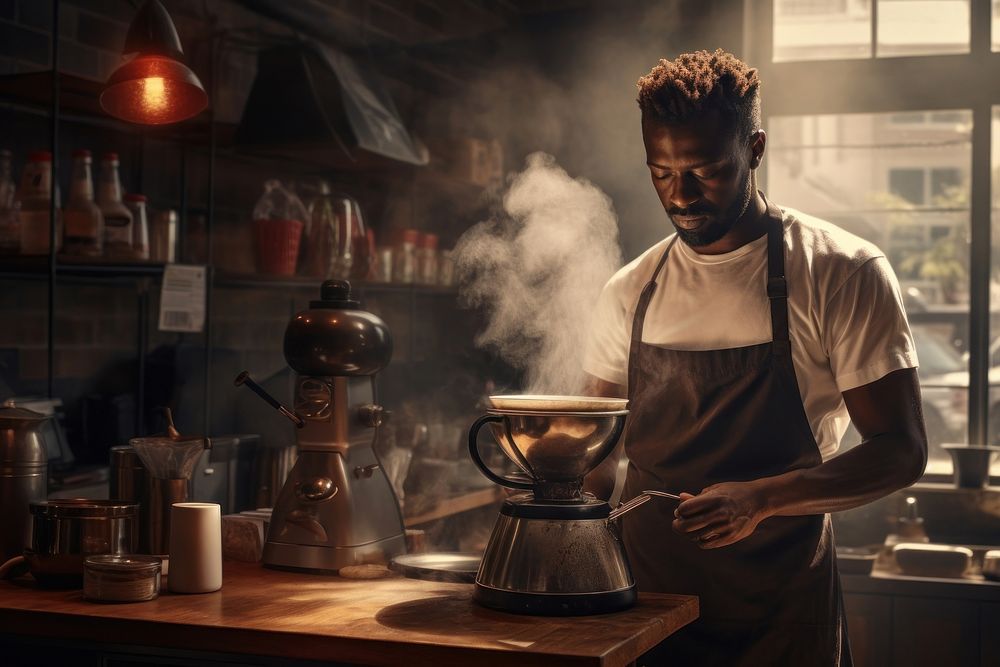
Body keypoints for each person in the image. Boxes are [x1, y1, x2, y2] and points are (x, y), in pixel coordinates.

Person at [582, 49, 927, 666]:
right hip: (644, 615)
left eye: (705, 170)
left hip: (781, 619)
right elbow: (594, 453)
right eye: (660, 172)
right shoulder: (631, 289)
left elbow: (901, 451)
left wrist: (760, 499)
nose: (680, 194)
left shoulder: (839, 271)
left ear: (756, 148)